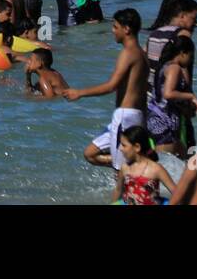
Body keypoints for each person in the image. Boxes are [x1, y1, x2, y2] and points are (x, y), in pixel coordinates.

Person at [63, 9, 147, 169]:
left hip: (125, 116)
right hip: (137, 115)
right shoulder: (141, 53)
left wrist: (79, 93)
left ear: (126, 29)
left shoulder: (128, 53)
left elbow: (111, 86)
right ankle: (127, 164)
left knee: (121, 173)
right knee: (90, 153)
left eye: (115, 27)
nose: (112, 31)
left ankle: (124, 169)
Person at [111, 125, 176, 205]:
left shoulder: (156, 169)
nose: (120, 148)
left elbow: (176, 192)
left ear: (137, 147)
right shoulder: (125, 168)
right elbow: (118, 190)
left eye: (124, 145)